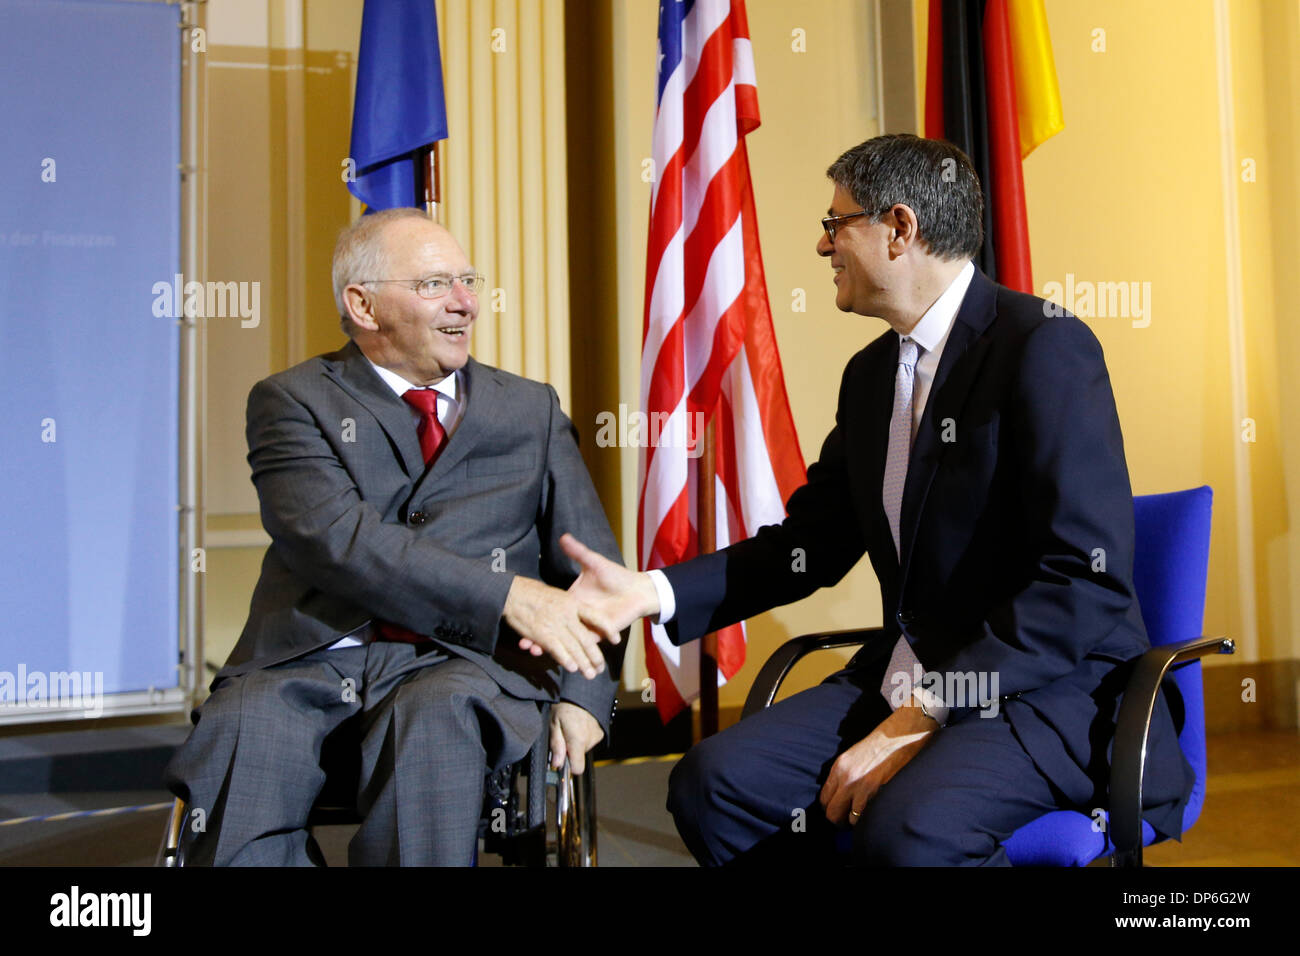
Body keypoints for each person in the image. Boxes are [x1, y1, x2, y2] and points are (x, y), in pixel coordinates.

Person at [558, 134, 1194, 866]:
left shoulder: (1043, 345)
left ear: (899, 228)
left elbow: (1083, 580)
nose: (822, 245)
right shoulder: (869, 377)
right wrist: (651, 592)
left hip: (1046, 693)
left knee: (908, 832)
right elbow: (809, 547)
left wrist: (925, 711)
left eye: (836, 224)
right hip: (908, 673)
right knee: (714, 784)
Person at [165, 207, 623, 866]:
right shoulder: (293, 402)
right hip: (312, 656)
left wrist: (586, 696)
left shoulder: (529, 408)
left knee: (435, 717)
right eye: (436, 285)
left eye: (468, 280)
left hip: (466, 665)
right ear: (364, 305)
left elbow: (595, 568)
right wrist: (506, 595)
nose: (467, 302)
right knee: (246, 731)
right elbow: (337, 539)